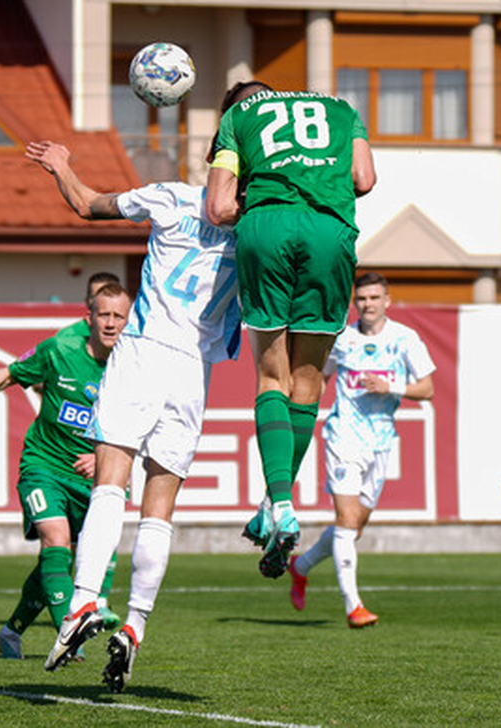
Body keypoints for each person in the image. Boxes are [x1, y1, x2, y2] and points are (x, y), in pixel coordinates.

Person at [24, 140, 239, 691]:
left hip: (144, 352)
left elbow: (89, 205)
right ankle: (136, 626)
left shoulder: (171, 197)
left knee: (110, 484)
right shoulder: (259, 229)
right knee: (159, 509)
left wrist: (62, 167)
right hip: (195, 371)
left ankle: (83, 603)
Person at [205, 80, 376, 578]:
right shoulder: (342, 110)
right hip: (329, 231)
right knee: (307, 380)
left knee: (271, 378)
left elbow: (218, 208)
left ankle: (278, 501)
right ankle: (275, 502)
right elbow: (363, 179)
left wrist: (262, 198)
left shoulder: (237, 120)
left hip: (268, 229)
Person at [0, 283, 131, 660]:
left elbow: (148, 426)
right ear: (89, 318)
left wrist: (108, 458)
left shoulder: (134, 367)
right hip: (45, 465)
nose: (111, 323)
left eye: (119, 316)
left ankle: (11, 632)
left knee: (65, 560)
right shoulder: (60, 350)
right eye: (104, 315)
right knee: (56, 540)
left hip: (97, 478)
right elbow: (14, 371)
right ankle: (72, 636)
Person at [287, 272, 434, 629]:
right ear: (356, 303)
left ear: (387, 300)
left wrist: (390, 386)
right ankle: (354, 606)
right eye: (362, 299)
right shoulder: (343, 339)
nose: (367, 305)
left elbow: (427, 388)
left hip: (382, 440)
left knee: (356, 526)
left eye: (374, 298)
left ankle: (302, 566)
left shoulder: (405, 339)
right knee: (348, 520)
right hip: (343, 438)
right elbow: (322, 376)